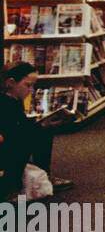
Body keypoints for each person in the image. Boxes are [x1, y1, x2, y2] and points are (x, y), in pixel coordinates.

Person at [0, 62, 73, 197]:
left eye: (33, 85)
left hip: (9, 145)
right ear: (11, 82)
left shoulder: (14, 100)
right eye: (27, 85)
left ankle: (43, 174)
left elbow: (17, 127)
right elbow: (10, 132)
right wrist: (38, 127)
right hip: (6, 151)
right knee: (37, 134)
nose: (31, 90)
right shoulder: (5, 103)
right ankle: (12, 186)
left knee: (41, 131)